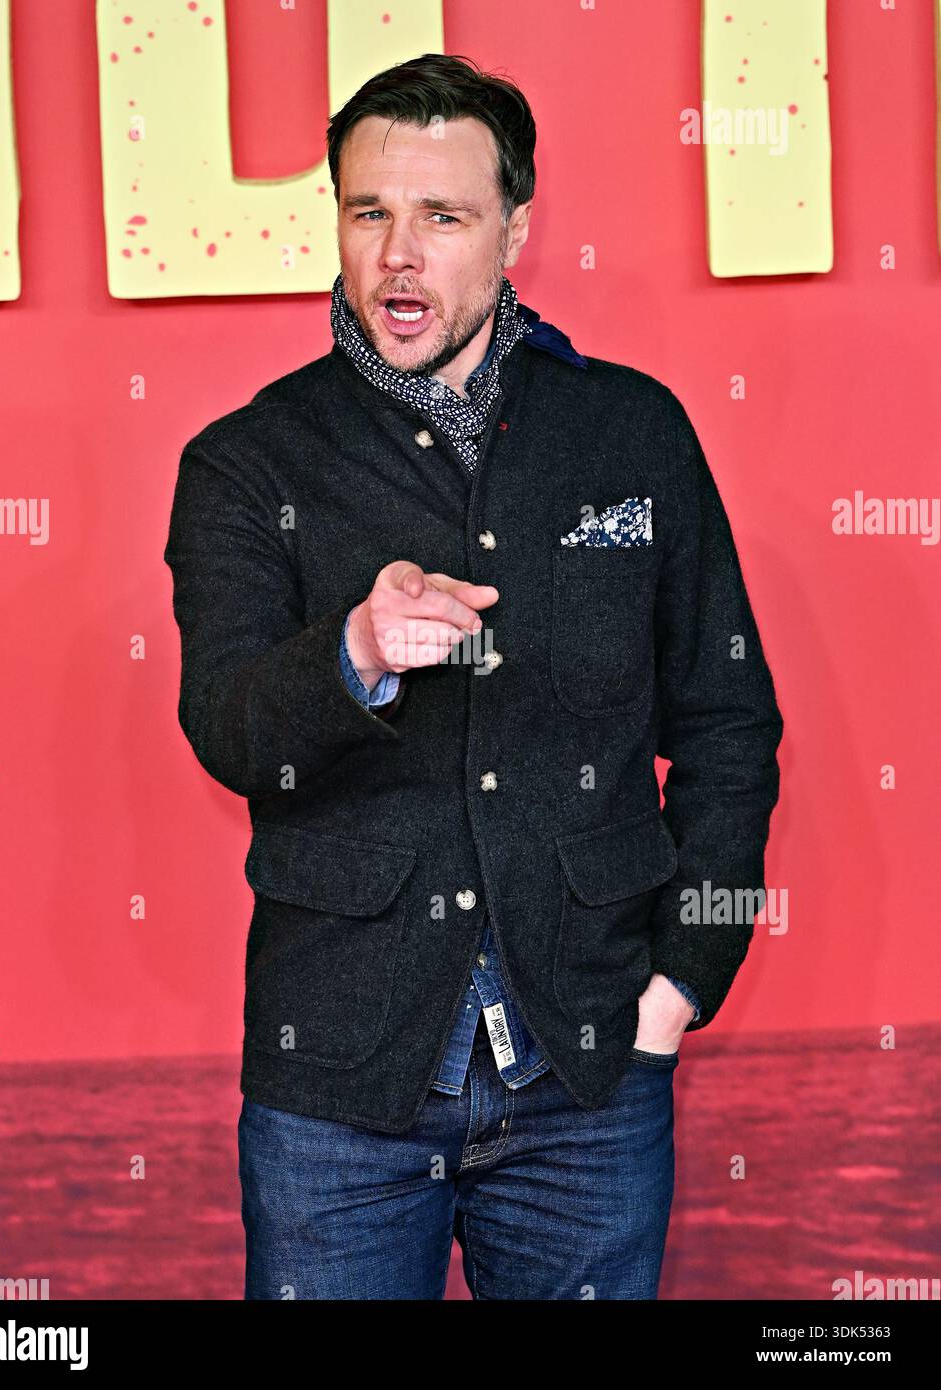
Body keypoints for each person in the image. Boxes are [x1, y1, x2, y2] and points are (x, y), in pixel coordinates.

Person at [162, 53, 784, 1300]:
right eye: (368, 213)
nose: (398, 256)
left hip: (590, 1078)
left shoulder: (632, 431)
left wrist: (676, 990)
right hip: (337, 1091)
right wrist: (354, 651)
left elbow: (727, 725)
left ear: (513, 229)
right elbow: (228, 729)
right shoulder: (243, 461)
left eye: (442, 217)